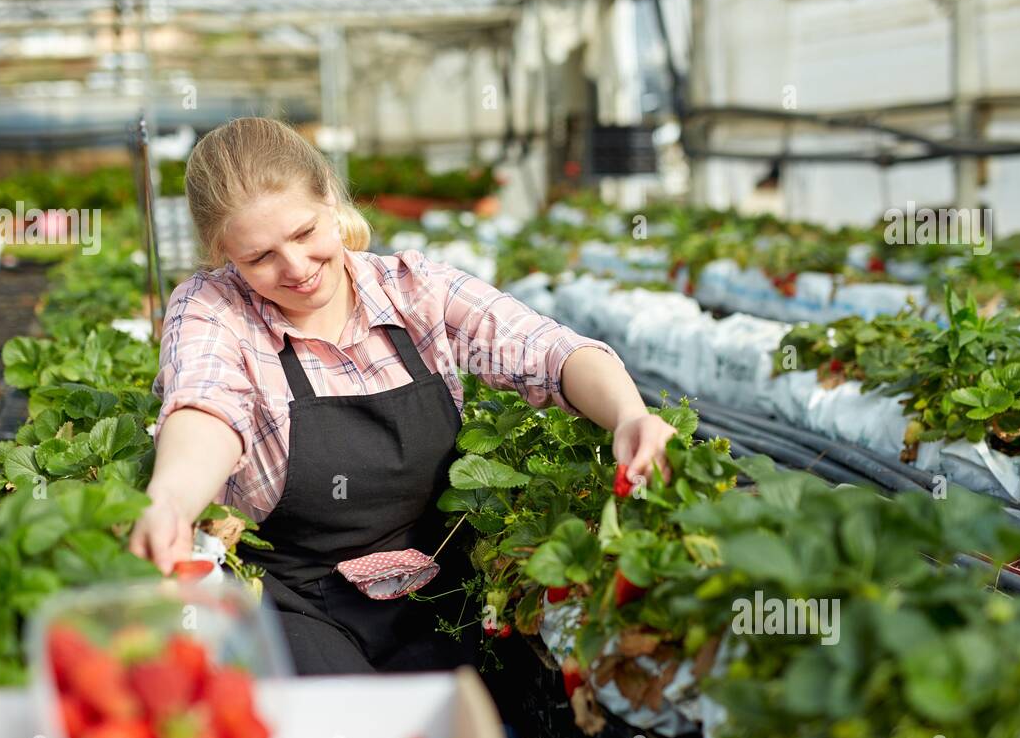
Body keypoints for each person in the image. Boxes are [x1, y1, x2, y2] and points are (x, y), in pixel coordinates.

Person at [128, 116, 677, 676]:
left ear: (332, 200)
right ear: (222, 255)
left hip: (437, 593)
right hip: (294, 601)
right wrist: (171, 499)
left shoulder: (415, 291)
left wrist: (627, 414)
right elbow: (207, 405)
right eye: (258, 258)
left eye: (304, 234)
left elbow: (550, 352)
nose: (295, 269)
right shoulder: (213, 309)